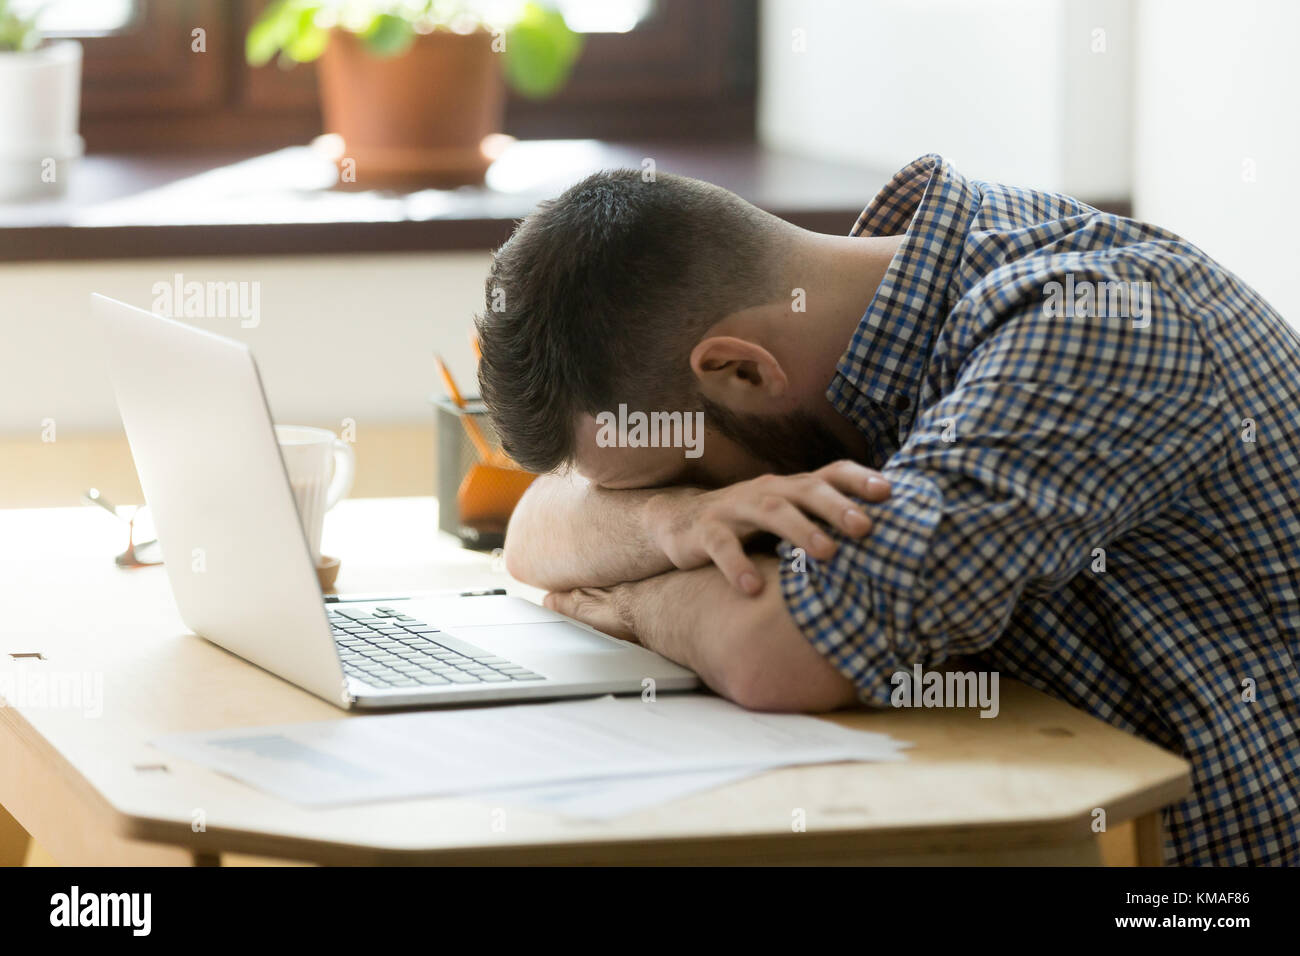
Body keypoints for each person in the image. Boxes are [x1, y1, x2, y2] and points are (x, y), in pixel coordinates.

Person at [475, 154, 1300, 865]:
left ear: (742, 370)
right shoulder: (856, 309)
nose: (710, 502)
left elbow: (782, 656)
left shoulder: (1087, 326)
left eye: (683, 472)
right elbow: (532, 532)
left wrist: (626, 598)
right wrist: (675, 521)